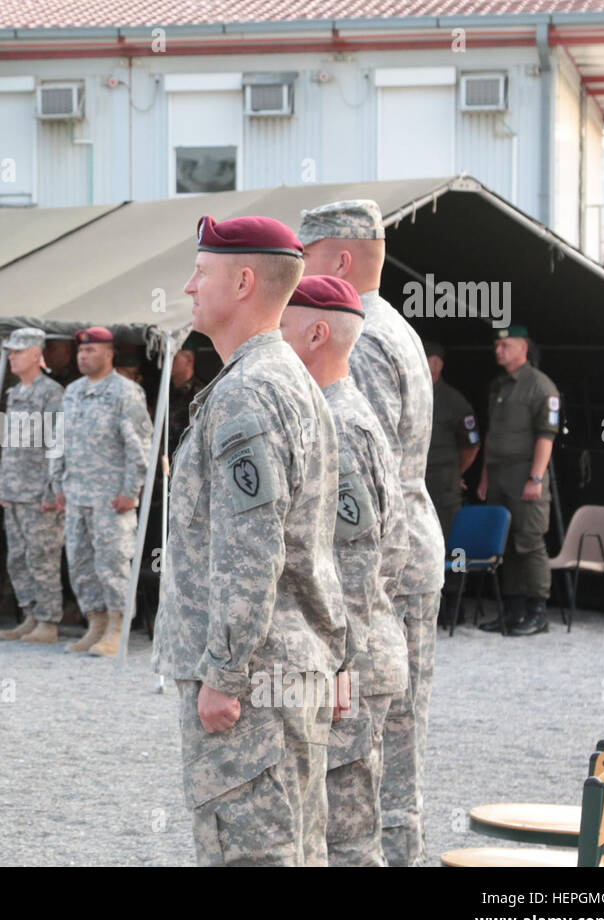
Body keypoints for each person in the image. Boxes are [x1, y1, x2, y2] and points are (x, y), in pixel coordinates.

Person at [155, 214, 345, 866]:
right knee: (296, 847)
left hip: (255, 683)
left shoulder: (249, 392)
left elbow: (251, 548)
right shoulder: (291, 380)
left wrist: (224, 674)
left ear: (241, 281)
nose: (187, 287)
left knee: (251, 852)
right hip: (290, 666)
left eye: (200, 273)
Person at [299, 198, 444, 868]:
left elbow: (363, 476)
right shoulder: (395, 327)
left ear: (341, 258)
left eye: (307, 254)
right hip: (409, 547)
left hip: (386, 564)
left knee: (376, 743)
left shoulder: (364, 338)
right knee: (396, 734)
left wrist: (354, 609)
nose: (298, 270)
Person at [280, 275, 410, 867]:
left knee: (347, 840)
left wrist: (338, 668)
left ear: (317, 332)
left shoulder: (342, 425)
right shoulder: (331, 415)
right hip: (351, 658)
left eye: (282, 326)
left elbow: (362, 564)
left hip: (349, 666)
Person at [49, 327, 153, 657]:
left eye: (91, 351)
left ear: (109, 354)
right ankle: (94, 624)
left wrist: (130, 490)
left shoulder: (126, 392)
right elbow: (59, 439)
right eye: (80, 351)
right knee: (80, 563)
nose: (83, 356)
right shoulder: (73, 392)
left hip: (111, 498)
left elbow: (140, 446)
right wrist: (58, 483)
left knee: (112, 564)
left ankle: (117, 629)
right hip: (77, 494)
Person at [477, 325, 561, 636]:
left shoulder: (540, 387)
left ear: (523, 348)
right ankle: (512, 611)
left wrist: (536, 478)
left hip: (524, 476)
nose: (498, 350)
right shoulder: (499, 385)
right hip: (499, 477)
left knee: (530, 543)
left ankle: (538, 612)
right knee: (506, 544)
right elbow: (492, 436)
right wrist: (485, 478)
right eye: (496, 344)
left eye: (505, 345)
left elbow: (545, 436)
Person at [0, 327, 65, 644]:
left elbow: (58, 444)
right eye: (9, 351)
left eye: (18, 351)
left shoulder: (51, 393)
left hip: (39, 493)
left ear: (37, 354)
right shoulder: (15, 392)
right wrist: (3, 486)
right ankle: (31, 614)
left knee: (42, 557)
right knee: (18, 557)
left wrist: (53, 490)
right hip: (15, 489)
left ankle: (48, 621)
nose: (11, 356)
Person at [424, 341, 481, 543]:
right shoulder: (409, 394)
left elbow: (471, 446)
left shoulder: (453, 401)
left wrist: (456, 473)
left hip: (443, 487)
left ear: (437, 365)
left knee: (448, 544)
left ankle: (455, 575)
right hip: (415, 486)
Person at [167, 348, 205, 451]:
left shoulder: (200, 395)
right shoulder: (164, 391)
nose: (167, 361)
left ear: (188, 359)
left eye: (173, 358)